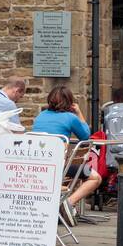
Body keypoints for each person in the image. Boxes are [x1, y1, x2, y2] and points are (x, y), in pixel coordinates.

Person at [30, 85, 102, 226]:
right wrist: (79, 112)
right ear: (69, 101)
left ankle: (64, 206)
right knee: (95, 177)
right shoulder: (70, 118)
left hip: (38, 166)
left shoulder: (40, 116)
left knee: (70, 173)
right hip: (57, 167)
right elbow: (86, 136)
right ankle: (67, 203)